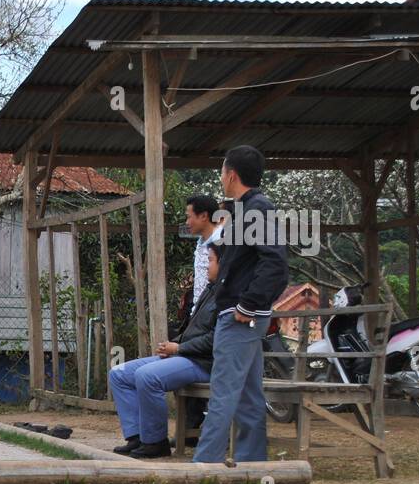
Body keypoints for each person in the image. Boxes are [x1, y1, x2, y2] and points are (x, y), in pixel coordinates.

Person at [192, 145, 289, 464]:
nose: (221, 178)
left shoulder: (257, 209)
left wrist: (248, 305)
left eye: (222, 172)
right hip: (239, 313)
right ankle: (250, 463)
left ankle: (204, 466)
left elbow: (275, 262)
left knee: (222, 392)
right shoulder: (245, 209)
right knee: (248, 394)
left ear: (231, 174)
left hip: (240, 316)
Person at [109, 242, 222, 458]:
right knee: (119, 373)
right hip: (186, 354)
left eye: (210, 261)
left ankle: (156, 442)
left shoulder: (227, 295)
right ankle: (137, 437)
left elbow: (216, 340)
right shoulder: (209, 290)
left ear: (223, 264)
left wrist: (179, 347)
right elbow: (193, 331)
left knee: (147, 376)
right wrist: (171, 346)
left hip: (204, 362)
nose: (207, 267)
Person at [185, 194, 224, 314]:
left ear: (203, 216)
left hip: (215, 314)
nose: (187, 222)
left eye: (189, 217)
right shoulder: (201, 241)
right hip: (200, 312)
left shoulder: (222, 241)